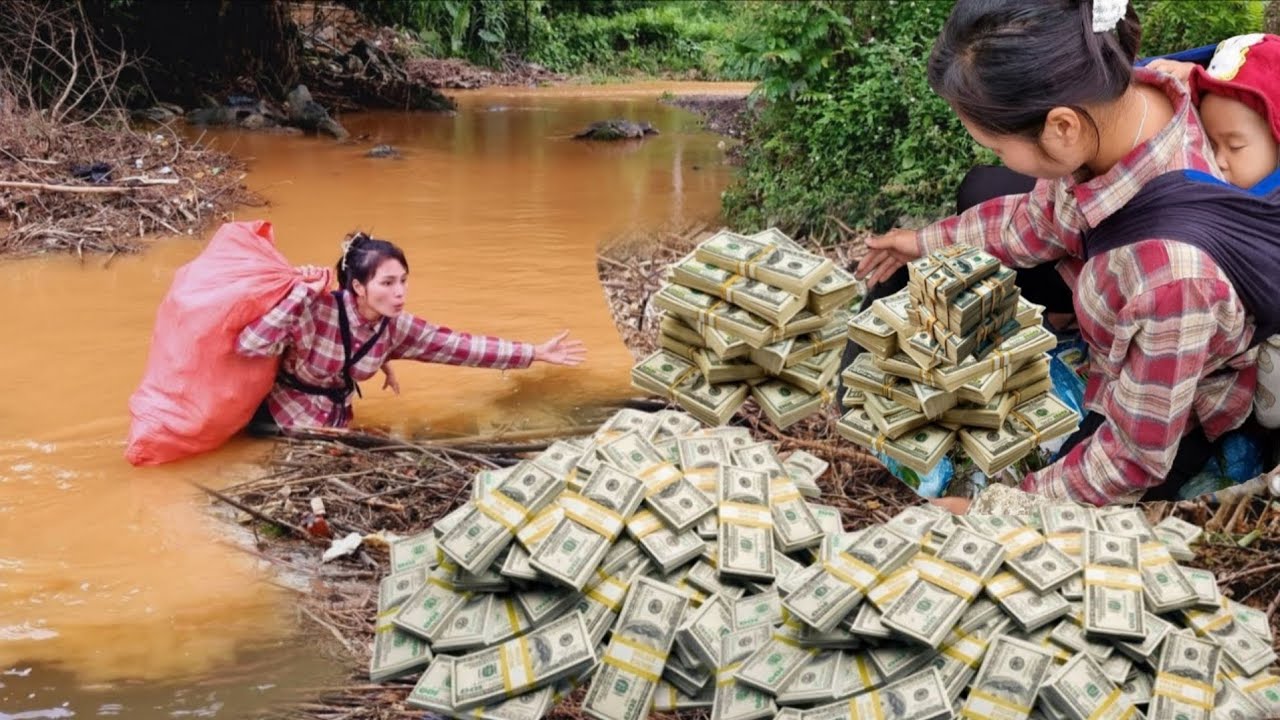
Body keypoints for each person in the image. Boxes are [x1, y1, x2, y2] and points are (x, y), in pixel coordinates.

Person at [857, 0, 1266, 508]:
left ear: (1062, 128)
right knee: (980, 192)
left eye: (998, 145)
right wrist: (919, 243)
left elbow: (1131, 458)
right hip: (1119, 282)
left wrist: (999, 508)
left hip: (1178, 398)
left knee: (1058, 485)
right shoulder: (1123, 93)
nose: (996, 156)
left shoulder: (1172, 279)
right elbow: (1035, 223)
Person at [236, 232, 586, 432]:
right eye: (387, 283)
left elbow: (458, 346)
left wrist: (535, 353)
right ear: (358, 286)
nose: (400, 293)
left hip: (335, 421)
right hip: (278, 421)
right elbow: (250, 346)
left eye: (403, 281)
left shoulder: (396, 328)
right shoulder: (316, 308)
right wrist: (302, 290)